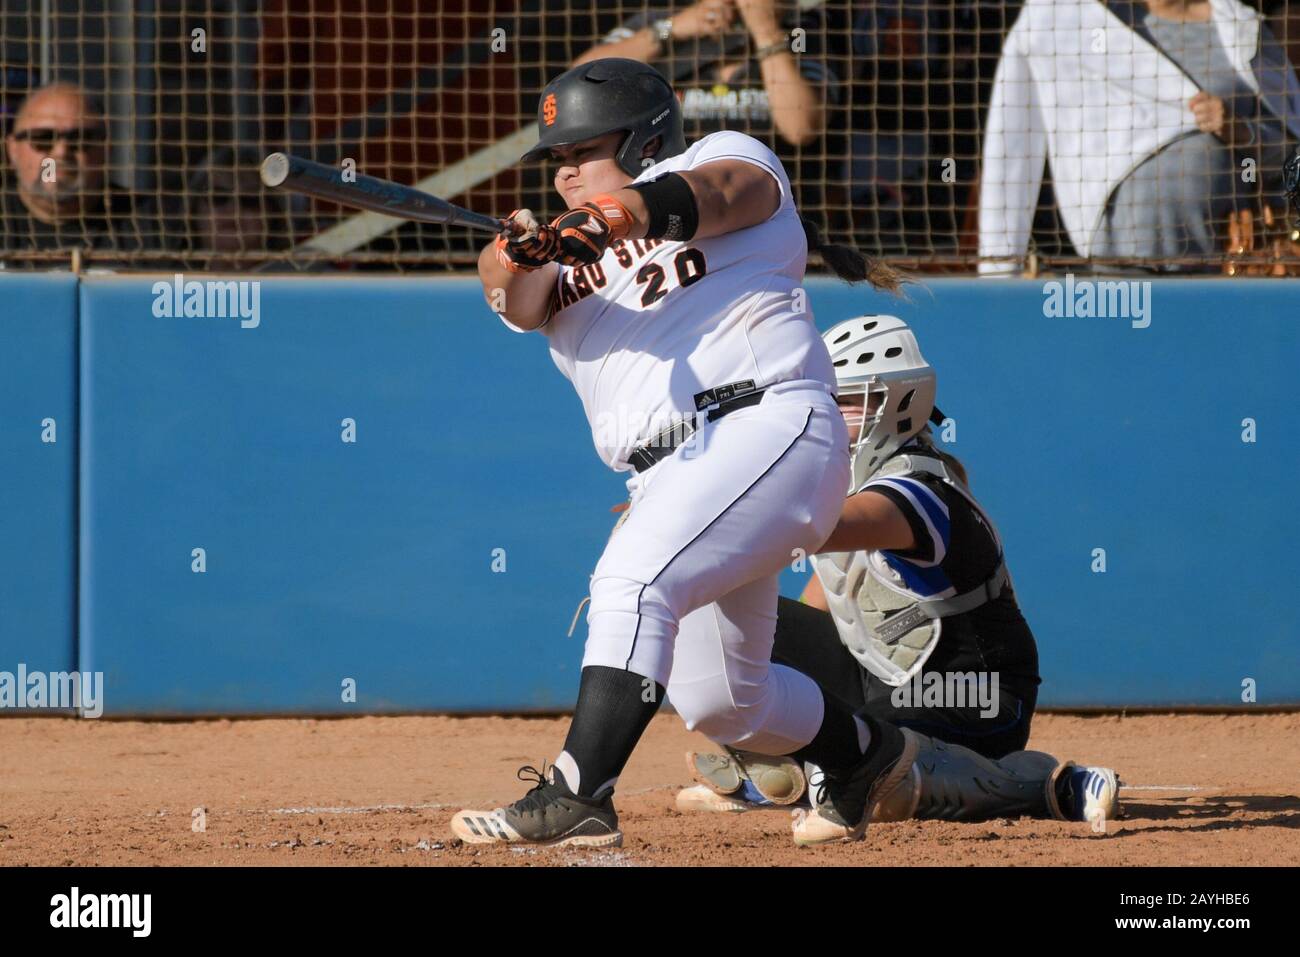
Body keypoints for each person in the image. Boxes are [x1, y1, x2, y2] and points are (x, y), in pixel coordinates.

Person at [450, 58, 909, 849]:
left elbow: (725, 193)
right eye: (556, 160)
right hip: (670, 475)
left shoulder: (718, 160)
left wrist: (615, 215)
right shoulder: (557, 258)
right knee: (724, 702)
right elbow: (509, 296)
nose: (565, 175)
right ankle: (860, 753)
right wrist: (515, 252)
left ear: (644, 140)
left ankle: (580, 792)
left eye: (581, 152)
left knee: (629, 579)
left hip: (769, 423)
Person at [675, 315, 1121, 831]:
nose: (820, 415)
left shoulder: (920, 492)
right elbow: (832, 599)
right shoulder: (843, 484)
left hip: (977, 696)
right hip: (887, 680)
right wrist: (774, 692)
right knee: (699, 602)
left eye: (841, 402)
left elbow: (815, 529)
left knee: (865, 770)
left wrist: (697, 513)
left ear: (898, 403)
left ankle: (1049, 787)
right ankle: (792, 773)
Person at [979, 0, 1300, 274]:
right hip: (1123, 257)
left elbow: (1290, 156)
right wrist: (998, 267)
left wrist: (1240, 130)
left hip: (1225, 259)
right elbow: (1010, 148)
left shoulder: (1242, 28)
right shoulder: (1069, 23)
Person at [572, 0, 849, 240]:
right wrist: (669, 30)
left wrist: (766, 32)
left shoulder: (800, 28)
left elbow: (802, 127)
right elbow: (581, 83)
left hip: (775, 223)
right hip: (675, 223)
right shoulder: (664, 20)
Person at [1, 82, 152, 263]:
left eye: (80, 138)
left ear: (106, 149)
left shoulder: (152, 225)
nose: (61, 152)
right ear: (13, 150)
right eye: (43, 138)